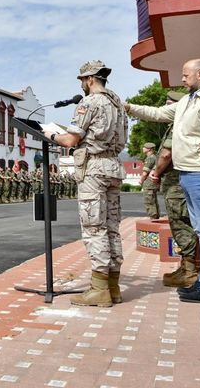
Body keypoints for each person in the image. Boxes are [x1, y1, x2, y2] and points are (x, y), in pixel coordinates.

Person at [125, 59, 200, 303]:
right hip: (186, 173)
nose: (182, 79)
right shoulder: (186, 101)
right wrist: (127, 107)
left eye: (186, 74)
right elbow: (157, 113)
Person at [43, 60, 128, 307]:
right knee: (112, 226)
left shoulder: (89, 102)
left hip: (94, 169)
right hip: (113, 166)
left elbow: (71, 139)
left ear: (90, 79)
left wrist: (51, 135)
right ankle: (113, 286)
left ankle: (99, 289)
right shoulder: (118, 104)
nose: (81, 85)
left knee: (94, 227)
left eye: (82, 80)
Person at [152, 91, 200, 289]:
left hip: (177, 185)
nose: (165, 109)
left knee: (181, 224)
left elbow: (166, 154)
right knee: (182, 223)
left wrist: (156, 173)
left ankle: (190, 271)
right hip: (179, 183)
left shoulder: (178, 124)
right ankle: (186, 267)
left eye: (168, 105)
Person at [139, 142, 160, 219]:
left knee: (149, 201)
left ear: (149, 149)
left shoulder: (150, 158)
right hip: (152, 184)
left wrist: (141, 181)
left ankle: (153, 217)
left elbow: (145, 173)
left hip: (149, 184)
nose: (143, 148)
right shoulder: (155, 157)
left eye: (144, 147)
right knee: (153, 201)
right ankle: (155, 217)